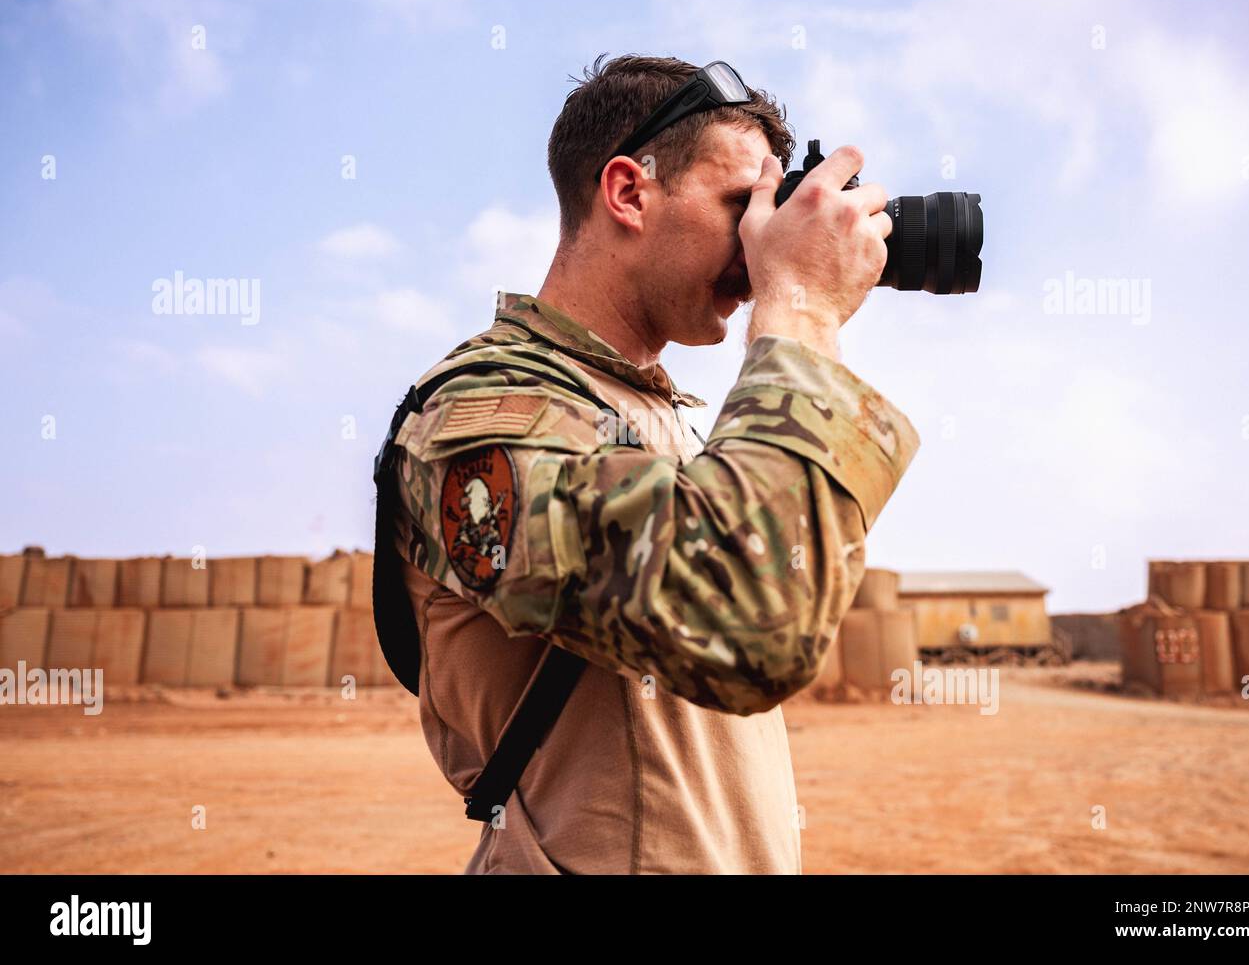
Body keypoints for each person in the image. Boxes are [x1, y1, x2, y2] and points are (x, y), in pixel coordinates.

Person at [376, 54, 918, 874]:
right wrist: (799, 305)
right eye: (743, 206)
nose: (757, 241)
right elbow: (752, 619)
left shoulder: (655, 416)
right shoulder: (479, 414)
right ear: (628, 192)